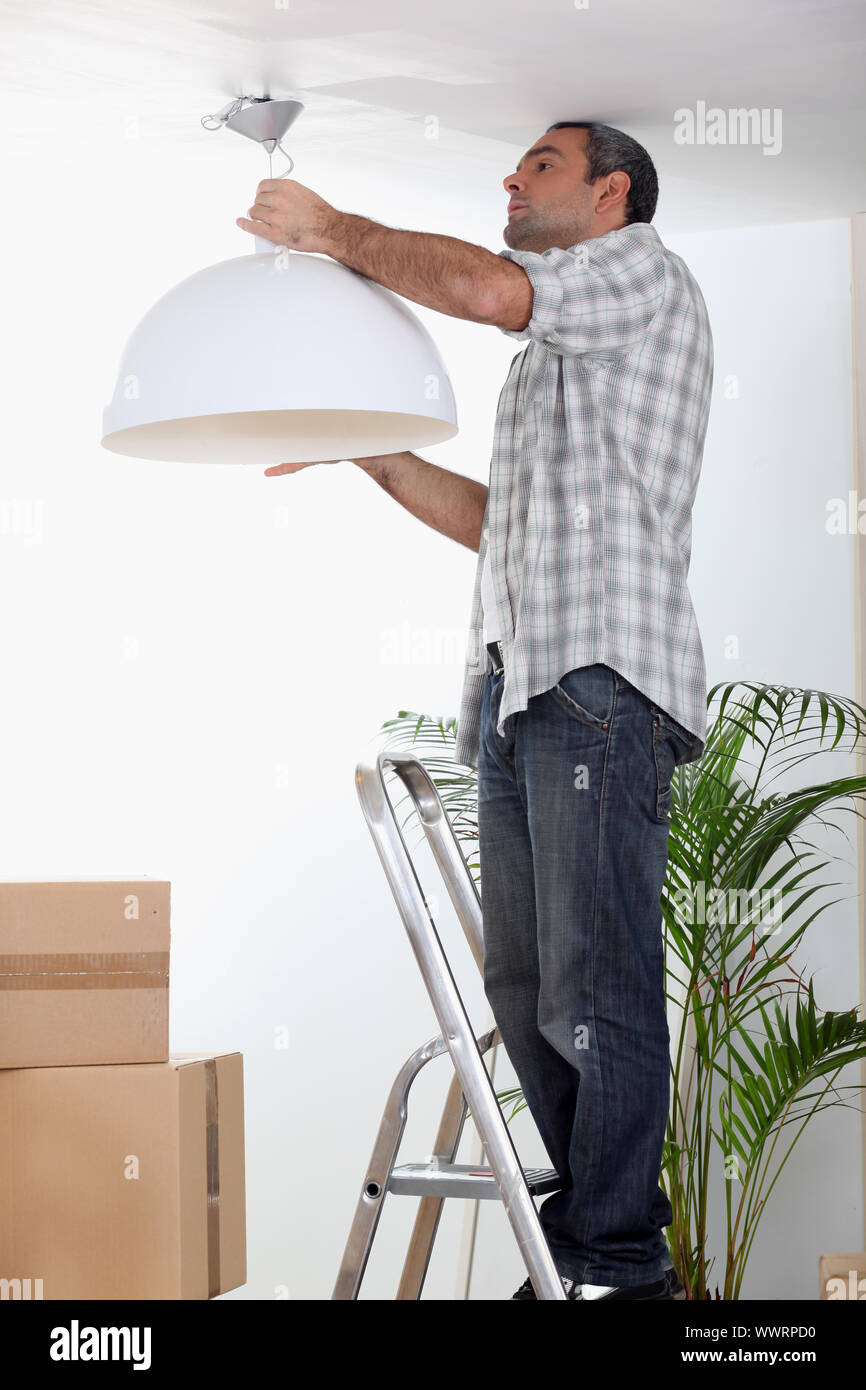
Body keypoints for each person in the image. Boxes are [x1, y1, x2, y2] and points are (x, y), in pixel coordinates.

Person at [238, 120, 712, 1302]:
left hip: (600, 679)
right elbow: (492, 521)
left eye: (536, 166)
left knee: (591, 987)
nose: (509, 178)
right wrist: (358, 444)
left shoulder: (636, 270)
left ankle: (617, 1260)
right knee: (523, 988)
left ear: (610, 195)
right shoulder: (556, 359)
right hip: (522, 685)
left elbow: (488, 287)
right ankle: (588, 1237)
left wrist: (331, 230)